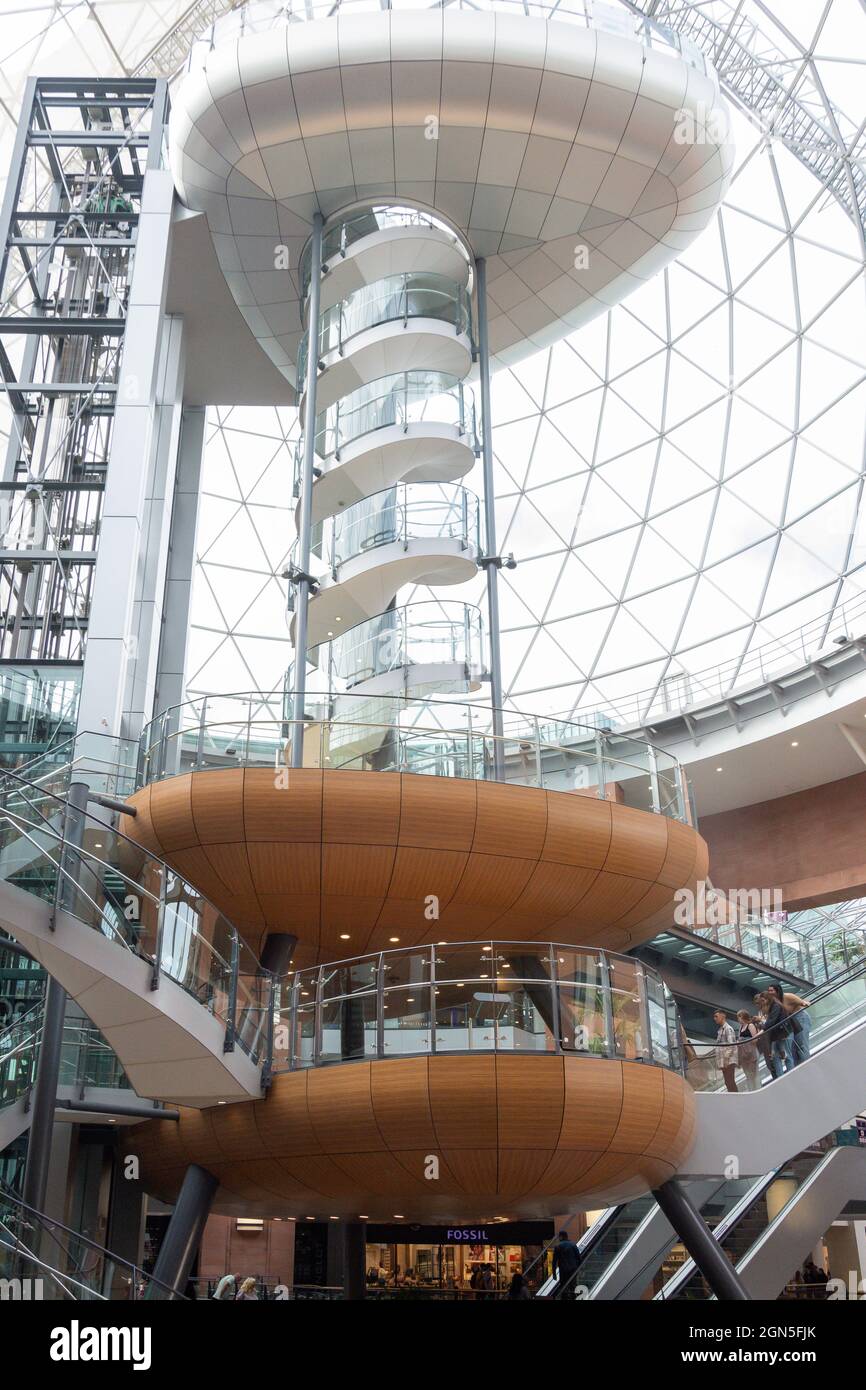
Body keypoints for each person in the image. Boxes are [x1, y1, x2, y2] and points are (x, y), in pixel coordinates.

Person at [770, 982, 812, 1065]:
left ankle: (807, 1064)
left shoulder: (788, 996)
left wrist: (804, 1003)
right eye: (769, 991)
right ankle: (799, 1066)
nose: (770, 992)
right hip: (791, 1022)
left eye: (772, 990)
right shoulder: (775, 1002)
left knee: (802, 1044)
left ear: (777, 991)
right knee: (794, 1047)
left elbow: (802, 1002)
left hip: (800, 1017)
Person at [756, 990, 792, 1077]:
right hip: (778, 1035)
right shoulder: (773, 1006)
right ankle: (781, 1076)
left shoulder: (776, 1006)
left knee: (786, 1056)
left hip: (783, 1034)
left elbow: (770, 1022)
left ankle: (790, 1073)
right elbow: (770, 1021)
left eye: (763, 1001)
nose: (763, 1003)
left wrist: (761, 1030)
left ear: (768, 999)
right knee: (778, 1056)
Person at [713, 1008, 739, 1092]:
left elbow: (731, 1045)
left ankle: (736, 1099)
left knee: (730, 1082)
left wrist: (726, 1059)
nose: (715, 1019)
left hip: (728, 1061)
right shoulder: (721, 1030)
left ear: (723, 1016)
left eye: (716, 1016)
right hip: (724, 1061)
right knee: (728, 1082)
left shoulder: (728, 1029)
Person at [551, 1228, 581, 1299]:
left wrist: (554, 1274)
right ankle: (574, 1297)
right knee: (573, 1286)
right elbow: (579, 1258)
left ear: (561, 1236)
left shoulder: (558, 1246)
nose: (558, 1238)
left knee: (564, 1287)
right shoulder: (573, 1245)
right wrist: (578, 1269)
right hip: (573, 1269)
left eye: (559, 1237)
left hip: (563, 1270)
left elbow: (554, 1261)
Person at [736, 1009, 761, 1090]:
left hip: (751, 1053)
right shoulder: (740, 1027)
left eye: (739, 1017)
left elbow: (755, 1039)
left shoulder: (750, 1026)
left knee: (754, 1074)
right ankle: (751, 1090)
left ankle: (757, 1089)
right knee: (748, 1075)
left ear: (744, 1017)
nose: (738, 1019)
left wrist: (744, 1041)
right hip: (744, 1055)